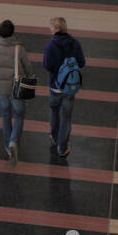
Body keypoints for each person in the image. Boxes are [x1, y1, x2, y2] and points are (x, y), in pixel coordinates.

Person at [0, 19, 32, 163]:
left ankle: (8, 146)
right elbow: (28, 68)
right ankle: (14, 141)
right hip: (16, 88)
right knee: (19, 114)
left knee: (5, 115)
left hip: (1, 89)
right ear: (13, 32)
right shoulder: (19, 48)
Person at [43, 16, 86, 160]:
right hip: (69, 87)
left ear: (55, 29)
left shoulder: (50, 46)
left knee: (54, 110)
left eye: (51, 27)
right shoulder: (75, 43)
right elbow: (81, 62)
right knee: (66, 117)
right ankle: (62, 147)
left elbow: (47, 66)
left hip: (55, 86)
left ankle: (54, 136)